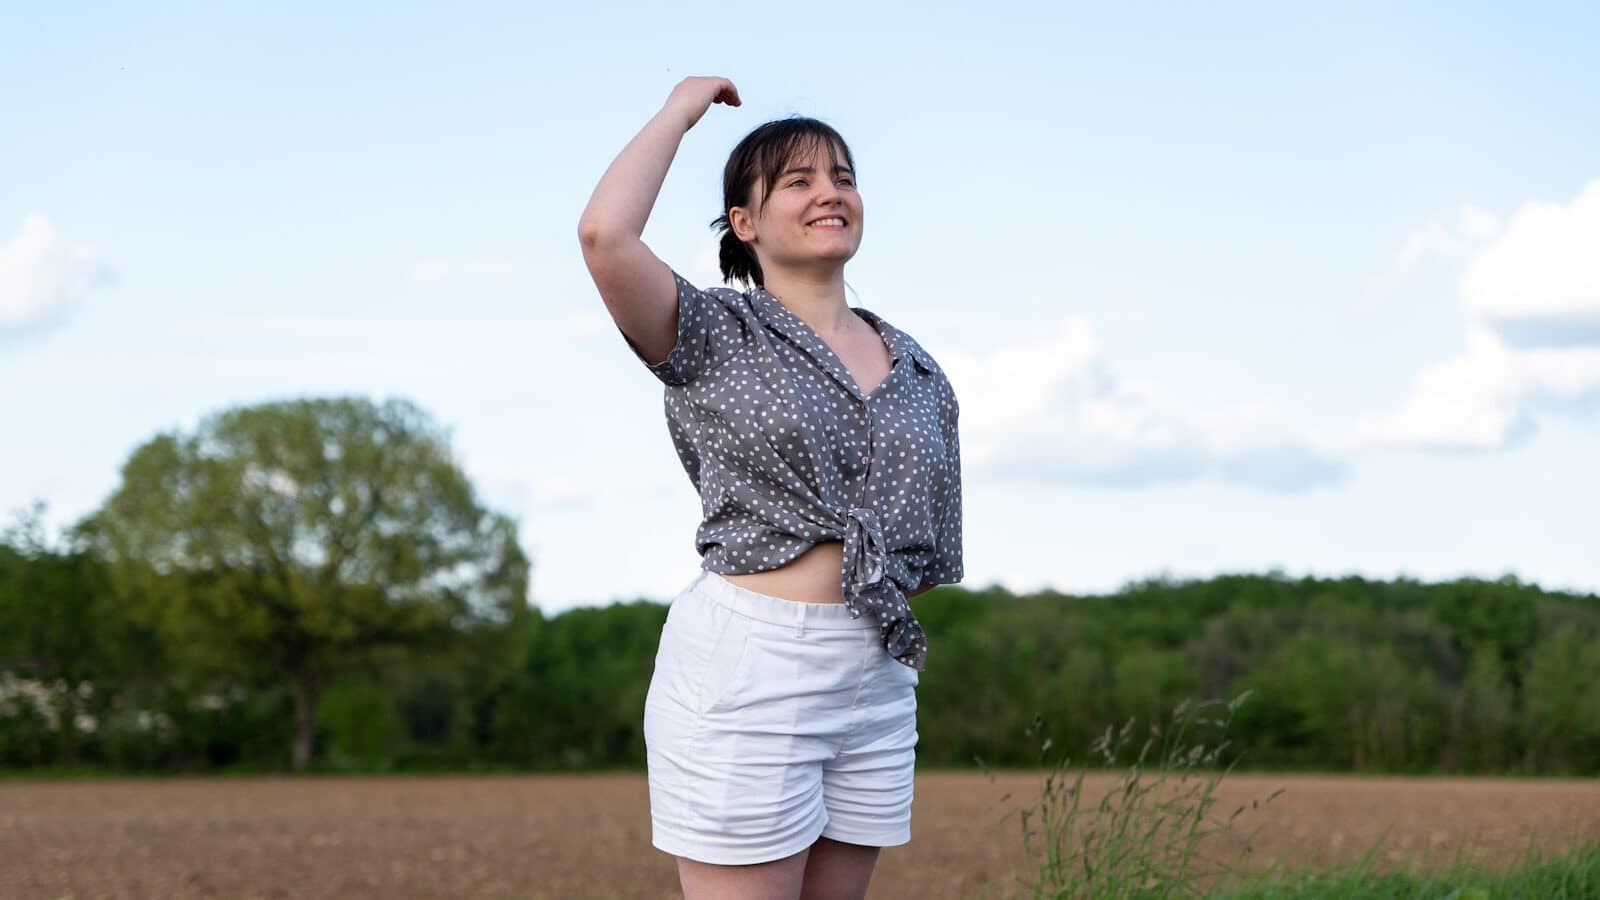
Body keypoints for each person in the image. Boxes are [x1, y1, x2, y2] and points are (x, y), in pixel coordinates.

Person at [577, 75, 964, 900]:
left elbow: (927, 552)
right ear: (745, 223)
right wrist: (680, 110)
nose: (831, 192)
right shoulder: (714, 330)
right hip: (749, 667)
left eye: (844, 177)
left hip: (877, 669)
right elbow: (605, 236)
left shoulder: (921, 369)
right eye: (800, 180)